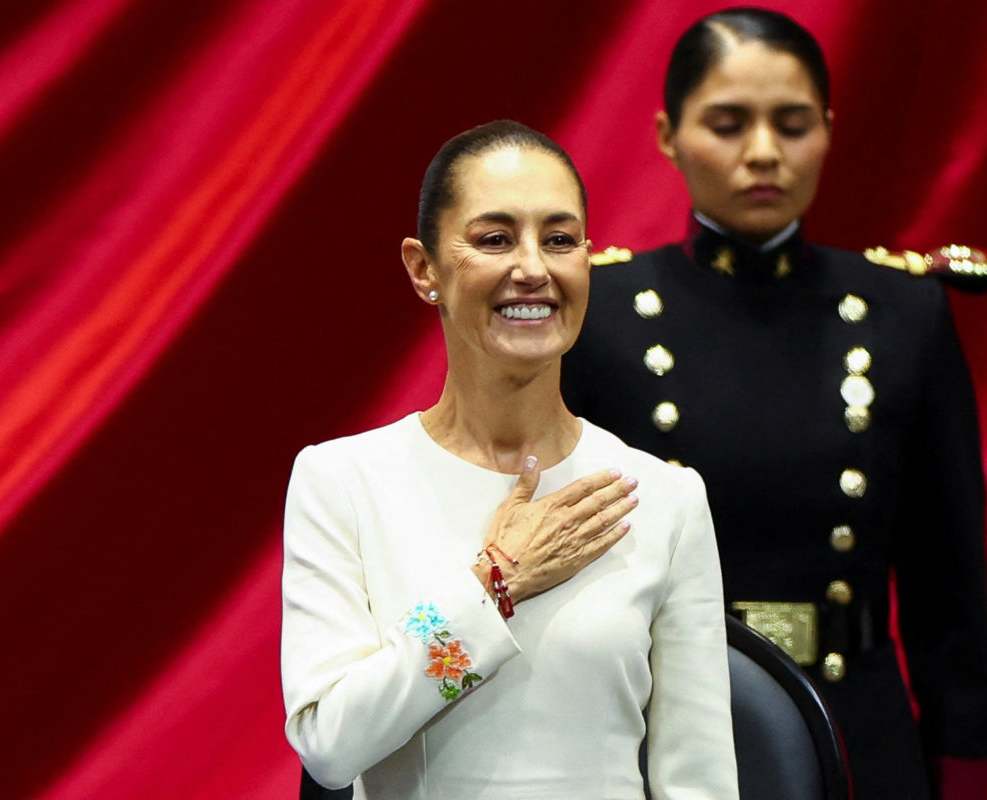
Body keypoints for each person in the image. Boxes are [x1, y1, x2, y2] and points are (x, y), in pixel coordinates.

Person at [562, 8, 987, 800]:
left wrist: (958, 778)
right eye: (727, 125)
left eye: (792, 125)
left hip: (860, 732)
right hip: (661, 730)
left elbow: (950, 596)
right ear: (667, 135)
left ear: (827, 129)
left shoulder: (904, 313)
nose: (763, 151)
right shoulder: (600, 315)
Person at [281, 120, 739, 800]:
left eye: (559, 240)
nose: (533, 269)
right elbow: (332, 746)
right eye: (495, 239)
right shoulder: (344, 482)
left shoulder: (665, 499)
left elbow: (698, 781)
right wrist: (495, 583)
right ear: (424, 269)